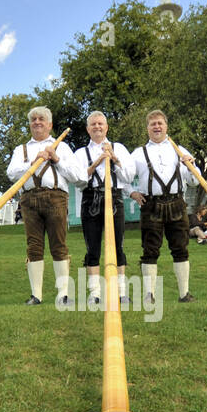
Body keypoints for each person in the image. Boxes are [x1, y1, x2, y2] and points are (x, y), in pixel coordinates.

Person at [6, 106, 78, 305]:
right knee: (34, 246)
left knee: (59, 244)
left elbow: (77, 176)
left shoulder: (62, 147)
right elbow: (11, 173)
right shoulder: (21, 149)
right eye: (34, 119)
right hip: (29, 200)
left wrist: (56, 159)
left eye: (41, 119)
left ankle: (63, 294)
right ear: (30, 124)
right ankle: (36, 295)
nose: (37, 122)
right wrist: (33, 161)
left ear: (50, 124)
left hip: (56, 197)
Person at [129, 111, 197, 303]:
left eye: (160, 123)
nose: (157, 127)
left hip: (177, 204)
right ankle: (149, 295)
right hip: (151, 206)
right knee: (150, 249)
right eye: (153, 124)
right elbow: (123, 177)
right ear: (147, 128)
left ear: (166, 126)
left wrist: (191, 164)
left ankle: (184, 294)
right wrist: (131, 192)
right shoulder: (138, 154)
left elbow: (194, 181)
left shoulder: (180, 150)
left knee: (181, 247)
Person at [72, 111, 134, 306]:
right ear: (88, 129)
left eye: (100, 124)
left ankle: (121, 292)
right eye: (93, 124)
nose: (97, 127)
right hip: (91, 199)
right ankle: (95, 293)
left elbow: (129, 177)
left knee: (118, 245)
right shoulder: (81, 153)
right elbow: (78, 180)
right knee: (93, 247)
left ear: (106, 127)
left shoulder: (119, 148)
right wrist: (98, 161)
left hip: (114, 197)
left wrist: (114, 158)